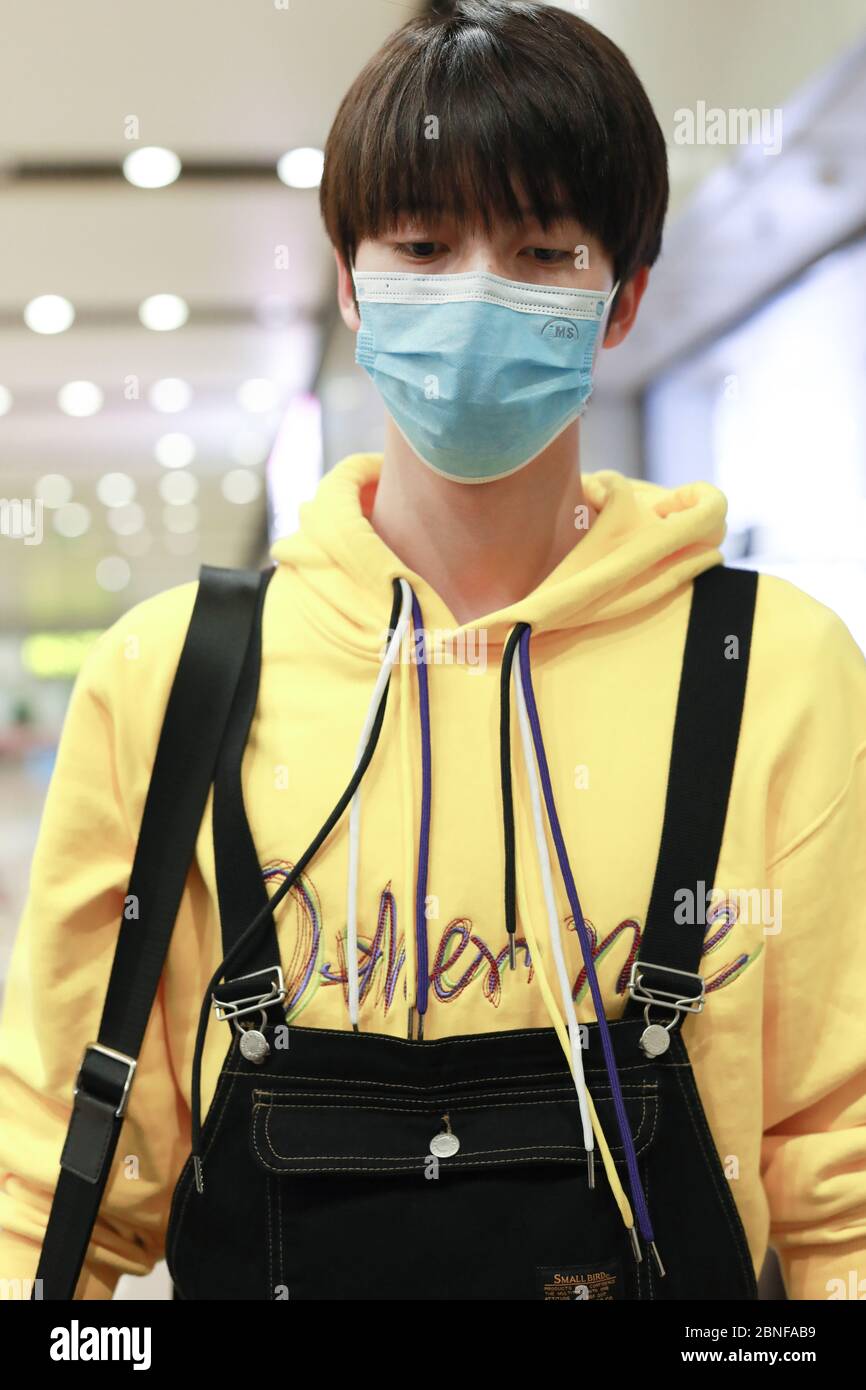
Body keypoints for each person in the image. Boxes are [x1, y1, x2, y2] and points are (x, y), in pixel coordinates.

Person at [1, 0, 864, 1302]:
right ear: (349, 282)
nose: (474, 292)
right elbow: (53, 1170)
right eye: (420, 242)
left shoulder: (769, 671)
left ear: (622, 298)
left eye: (539, 248)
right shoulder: (177, 673)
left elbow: (836, 1169)